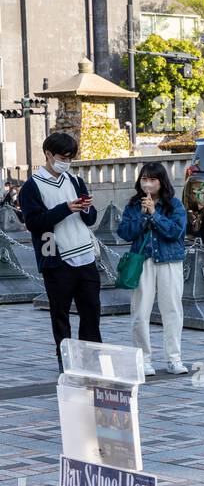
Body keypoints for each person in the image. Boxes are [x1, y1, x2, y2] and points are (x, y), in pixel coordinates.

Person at [19, 133, 101, 368]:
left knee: (92, 311)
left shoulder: (75, 180)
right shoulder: (31, 187)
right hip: (56, 259)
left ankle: (91, 359)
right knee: (60, 315)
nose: (66, 162)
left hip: (85, 255)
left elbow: (91, 218)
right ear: (48, 154)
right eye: (62, 157)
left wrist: (85, 208)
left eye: (70, 158)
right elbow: (34, 223)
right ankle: (66, 362)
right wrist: (65, 208)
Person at [117, 162, 188, 376]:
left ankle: (174, 359)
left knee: (173, 311)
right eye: (144, 179)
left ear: (161, 181)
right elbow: (125, 232)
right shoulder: (132, 205)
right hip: (143, 261)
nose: (147, 183)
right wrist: (142, 215)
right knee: (140, 312)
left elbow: (176, 232)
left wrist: (155, 214)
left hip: (170, 261)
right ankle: (144, 360)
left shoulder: (174, 205)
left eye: (152, 179)